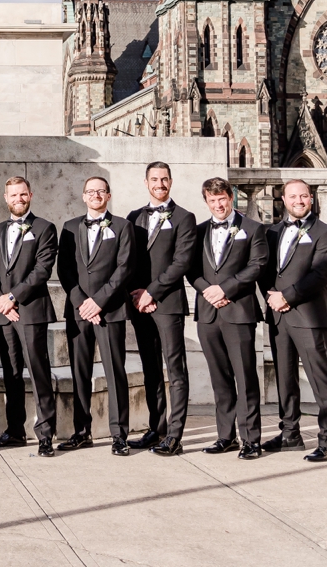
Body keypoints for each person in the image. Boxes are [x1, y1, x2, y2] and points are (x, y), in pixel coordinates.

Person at [261, 179, 327, 463]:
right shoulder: (271, 232)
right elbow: (262, 269)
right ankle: (290, 434)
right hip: (278, 317)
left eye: (304, 196)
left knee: (322, 379)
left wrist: (287, 297)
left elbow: (319, 275)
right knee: (285, 378)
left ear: (311, 198)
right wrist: (271, 297)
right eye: (293, 196)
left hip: (309, 316)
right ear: (283, 199)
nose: (299, 200)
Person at [191, 177, 269, 460]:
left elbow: (257, 265)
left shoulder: (253, 228)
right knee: (219, 378)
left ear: (231, 197)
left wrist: (226, 289)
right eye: (212, 201)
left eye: (222, 199)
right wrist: (208, 292)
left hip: (238, 312)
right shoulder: (198, 231)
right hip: (208, 314)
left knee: (245, 377)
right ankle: (226, 436)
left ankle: (251, 440)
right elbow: (190, 269)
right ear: (206, 202)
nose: (218, 205)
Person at [56, 176, 135, 456]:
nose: (96, 195)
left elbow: (124, 268)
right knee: (80, 374)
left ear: (109, 195)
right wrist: (82, 303)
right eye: (90, 191)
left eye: (101, 191)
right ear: (83, 196)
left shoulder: (124, 226)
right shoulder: (69, 228)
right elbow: (64, 270)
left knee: (115, 373)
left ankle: (119, 435)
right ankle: (81, 432)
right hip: (78, 313)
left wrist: (98, 302)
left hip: (110, 310)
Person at [125, 162, 197, 456]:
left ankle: (175, 436)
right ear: (146, 183)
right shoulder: (133, 217)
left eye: (164, 178)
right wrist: (137, 293)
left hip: (167, 304)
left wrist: (152, 292)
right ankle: (157, 429)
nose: (160, 183)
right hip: (140, 305)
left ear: (171, 181)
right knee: (150, 369)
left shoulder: (184, 217)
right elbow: (127, 260)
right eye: (154, 179)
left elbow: (181, 262)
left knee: (175, 370)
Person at [0, 175, 58, 457]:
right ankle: (15, 430)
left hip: (30, 311)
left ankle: (45, 434)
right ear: (5, 198)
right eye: (13, 195)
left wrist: (13, 298)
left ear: (31, 194)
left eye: (22, 194)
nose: (18, 199)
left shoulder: (44, 228)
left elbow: (42, 270)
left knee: (38, 372)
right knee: (11, 374)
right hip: (4, 314)